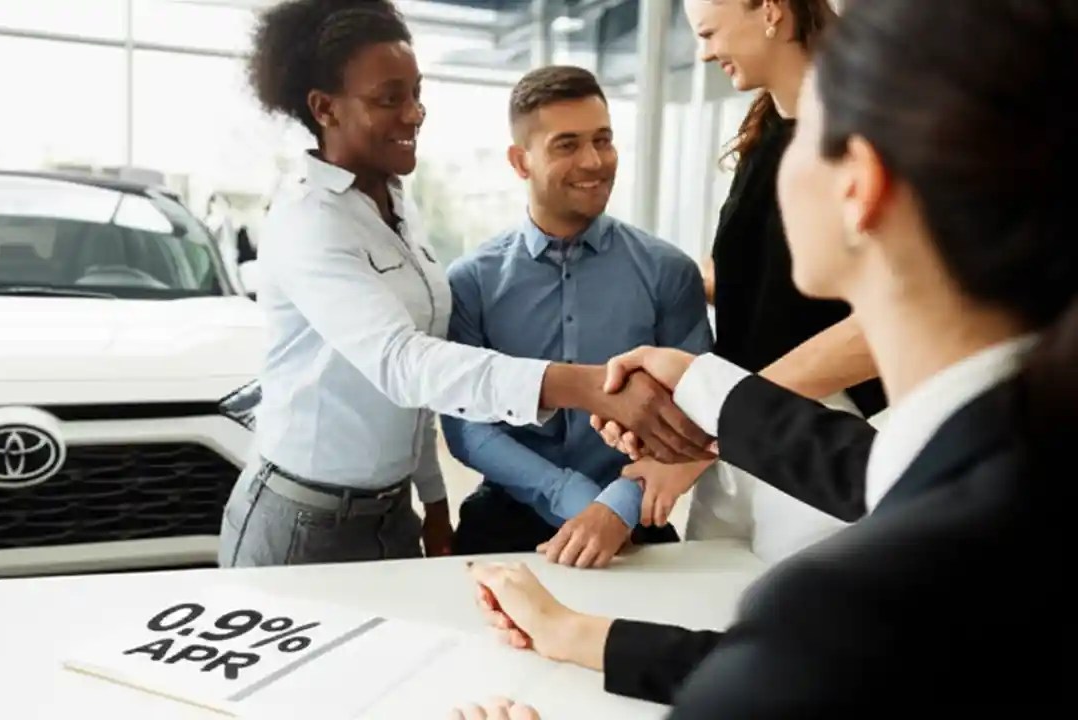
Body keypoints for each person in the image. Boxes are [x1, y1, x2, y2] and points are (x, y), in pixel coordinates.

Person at [455, 0, 1072, 715]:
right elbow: (858, 468)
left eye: (805, 132)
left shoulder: (841, 610)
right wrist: (573, 630)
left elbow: (788, 669)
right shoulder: (1013, 467)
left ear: (858, 185)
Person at [218, 0, 714, 568]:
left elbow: (425, 393)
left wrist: (433, 502)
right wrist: (590, 389)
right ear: (324, 107)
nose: (413, 114)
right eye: (389, 98)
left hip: (394, 516)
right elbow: (406, 365)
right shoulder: (310, 219)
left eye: (416, 94)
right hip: (307, 519)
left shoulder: (395, 210)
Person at [614, 0, 887, 564]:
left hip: (819, 429)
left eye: (709, 31)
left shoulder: (867, 132)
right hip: (740, 413)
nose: (703, 52)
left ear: (770, 10)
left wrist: (711, 430)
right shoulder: (767, 131)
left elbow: (886, 322)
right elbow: (758, 271)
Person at [442, 65, 712, 568]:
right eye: (567, 145)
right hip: (503, 518)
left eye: (603, 140)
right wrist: (576, 499)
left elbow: (699, 413)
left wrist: (616, 506)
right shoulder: (471, 281)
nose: (594, 161)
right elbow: (467, 426)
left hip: (634, 517)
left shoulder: (668, 272)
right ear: (520, 161)